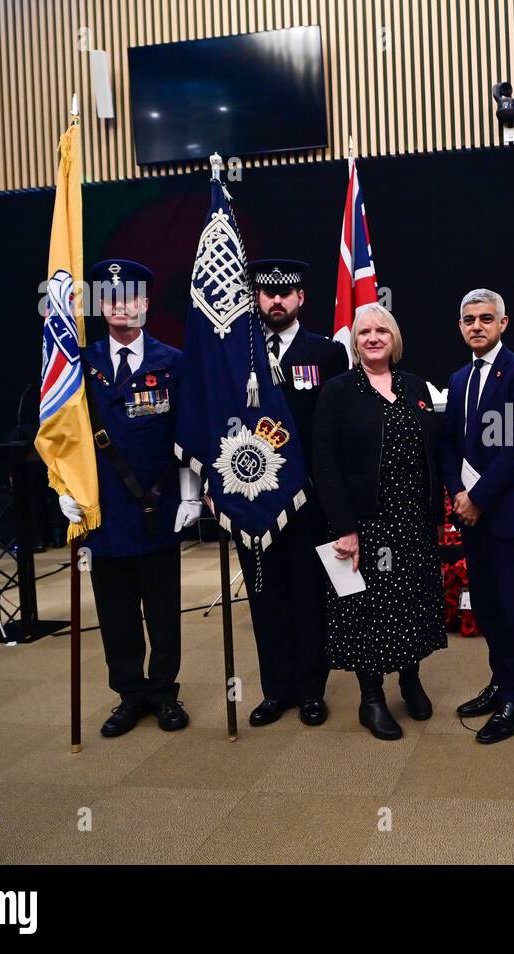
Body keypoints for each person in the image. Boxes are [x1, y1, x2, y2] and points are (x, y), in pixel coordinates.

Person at [59, 259, 201, 737]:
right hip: (103, 511)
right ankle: (129, 695)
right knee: (115, 611)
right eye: (113, 298)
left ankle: (164, 693)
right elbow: (62, 434)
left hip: (159, 508)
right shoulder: (78, 362)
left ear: (145, 303)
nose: (123, 306)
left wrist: (191, 495)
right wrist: (64, 489)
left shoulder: (173, 362)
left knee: (162, 609)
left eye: (132, 297)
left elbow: (190, 436)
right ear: (101, 306)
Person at [312, 304, 446, 740]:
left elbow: (436, 453)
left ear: (394, 339)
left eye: (381, 331)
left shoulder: (417, 387)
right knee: (366, 610)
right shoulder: (338, 391)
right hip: (363, 524)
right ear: (355, 341)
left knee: (411, 602)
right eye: (364, 331)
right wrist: (344, 527)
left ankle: (410, 678)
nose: (372, 338)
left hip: (412, 521)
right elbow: (325, 464)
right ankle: (371, 698)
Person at [234, 259, 350, 729]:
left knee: (308, 597)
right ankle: (274, 690)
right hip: (253, 500)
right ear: (256, 298)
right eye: (266, 293)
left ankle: (310, 690)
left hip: (309, 502)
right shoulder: (237, 355)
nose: (275, 301)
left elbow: (336, 430)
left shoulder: (326, 353)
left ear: (301, 298)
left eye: (285, 292)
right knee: (265, 597)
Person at [440, 288, 514, 744]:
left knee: (513, 607)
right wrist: (459, 494)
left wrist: (478, 496)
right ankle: (500, 683)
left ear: (503, 323)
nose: (477, 326)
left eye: (486, 318)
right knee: (484, 604)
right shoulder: (459, 377)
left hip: (507, 512)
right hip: (471, 512)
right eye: (469, 319)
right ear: (460, 326)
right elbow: (448, 444)